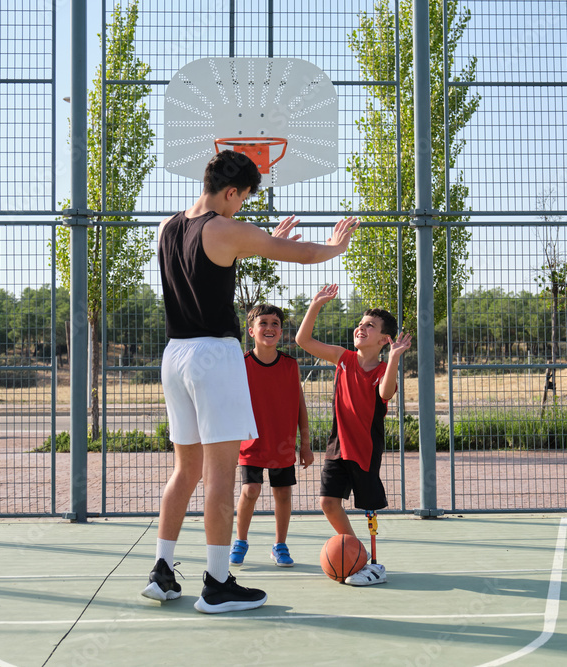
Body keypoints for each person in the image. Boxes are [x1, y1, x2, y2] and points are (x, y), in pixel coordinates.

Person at [141, 150, 358, 613]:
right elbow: (301, 254)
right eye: (242, 201)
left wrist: (256, 239)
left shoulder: (167, 226)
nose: (241, 209)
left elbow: (212, 267)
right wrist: (336, 248)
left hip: (175, 355)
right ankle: (217, 584)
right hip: (214, 356)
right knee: (221, 475)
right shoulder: (225, 227)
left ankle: (162, 572)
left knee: (185, 471)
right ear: (232, 191)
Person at [295, 284, 411, 586]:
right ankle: (356, 555)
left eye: (369, 326)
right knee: (327, 502)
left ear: (384, 339)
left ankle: (373, 565)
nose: (361, 327)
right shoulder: (342, 358)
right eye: (360, 324)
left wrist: (395, 357)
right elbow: (302, 339)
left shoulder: (383, 369)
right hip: (337, 447)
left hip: (366, 450)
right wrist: (316, 304)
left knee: (369, 507)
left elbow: (385, 393)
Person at [230, 303, 313, 568]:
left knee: (283, 494)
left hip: (283, 443)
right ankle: (240, 541)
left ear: (281, 331)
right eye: (263, 322)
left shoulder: (290, 365)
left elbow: (300, 404)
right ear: (251, 330)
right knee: (250, 490)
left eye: (275, 323)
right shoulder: (240, 364)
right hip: (251, 441)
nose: (270, 327)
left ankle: (280, 545)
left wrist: (306, 444)